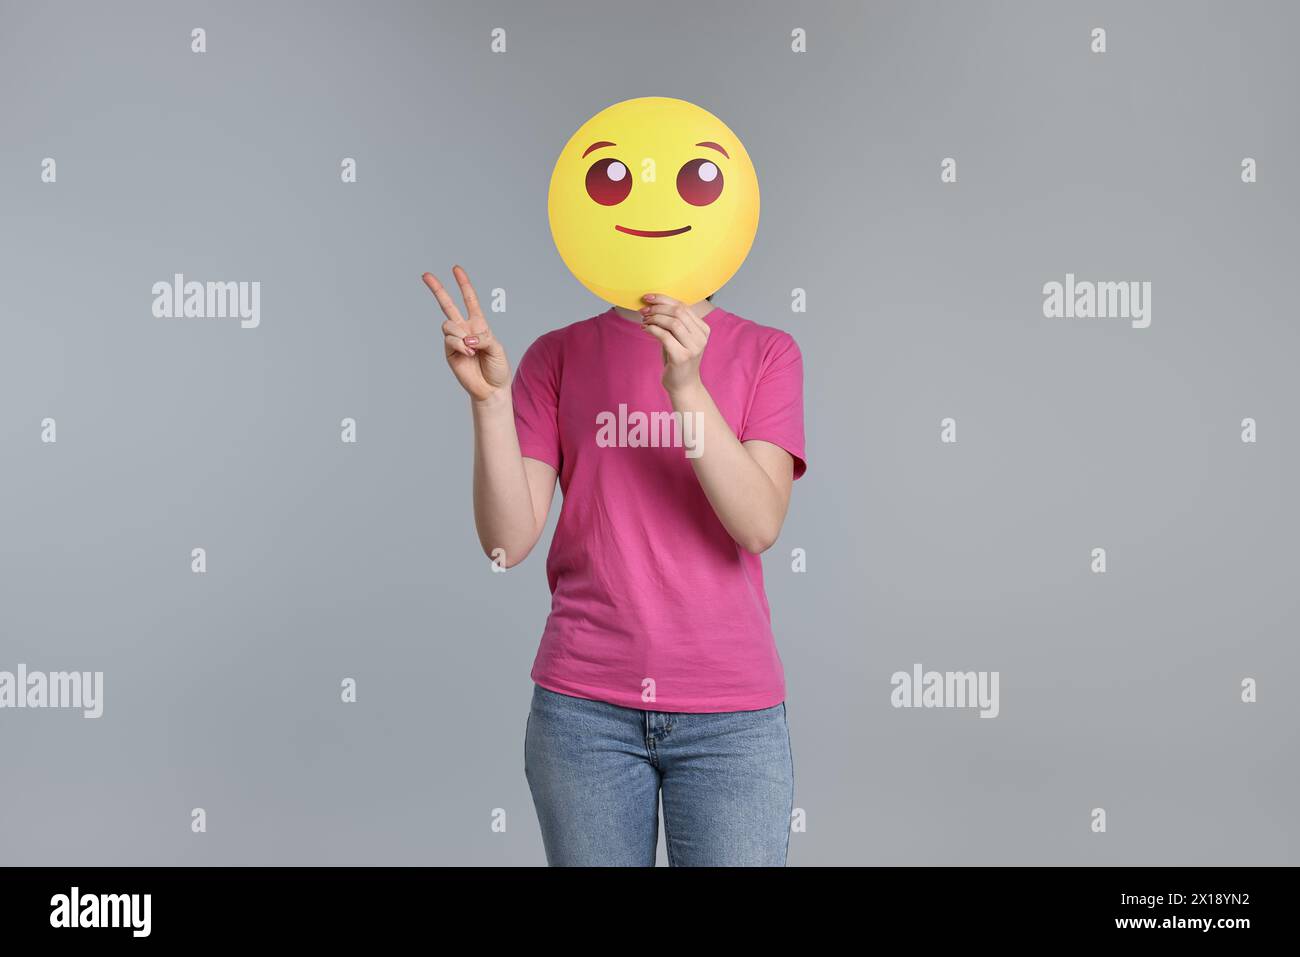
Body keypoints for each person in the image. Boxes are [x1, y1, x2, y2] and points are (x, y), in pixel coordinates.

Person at [422, 265, 806, 865]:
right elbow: (507, 543)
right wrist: (492, 402)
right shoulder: (557, 355)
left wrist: (686, 387)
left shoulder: (767, 351)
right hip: (584, 714)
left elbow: (757, 525)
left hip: (731, 718)